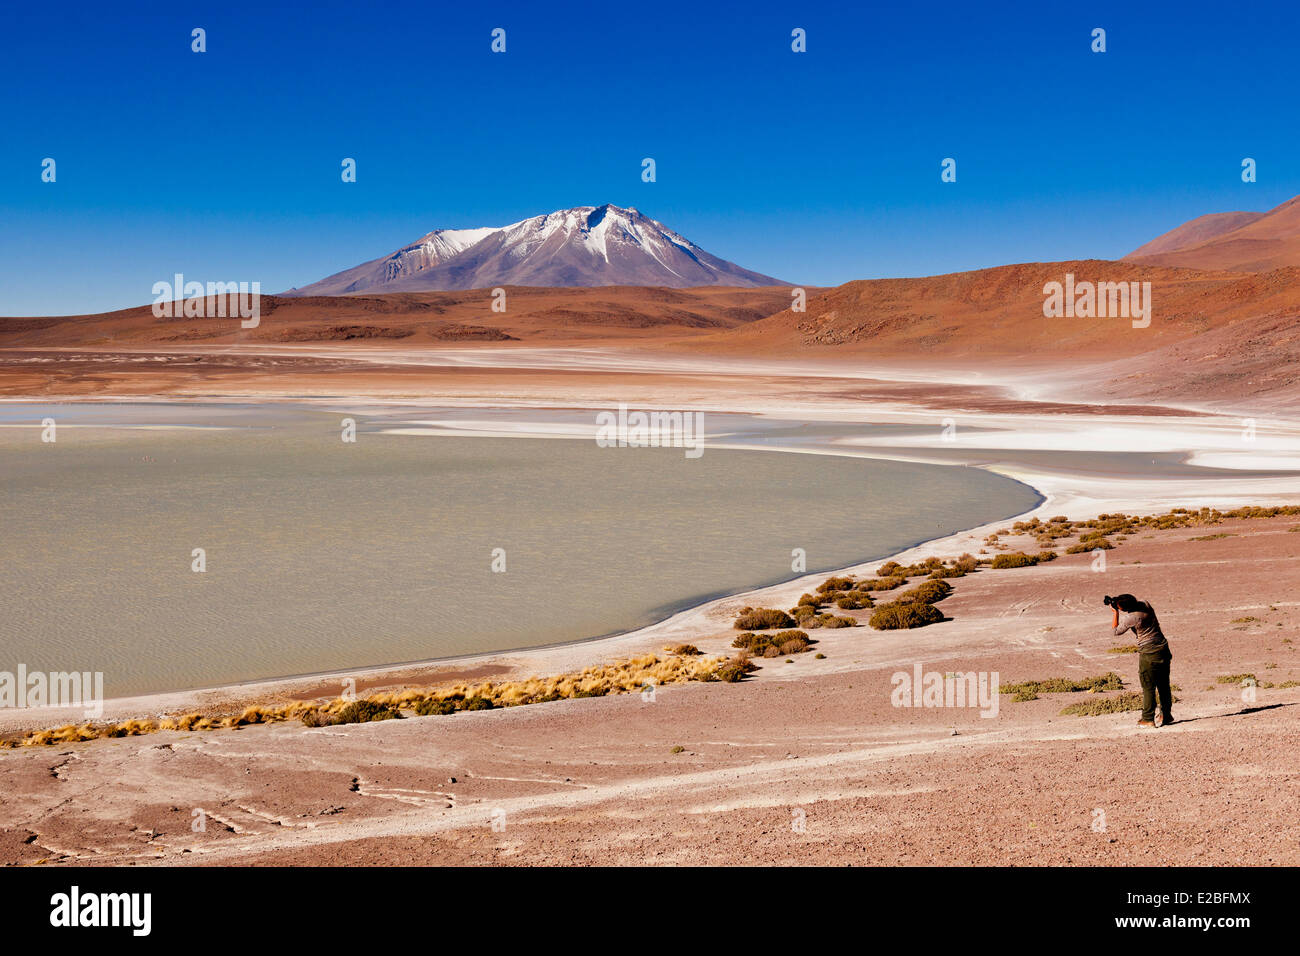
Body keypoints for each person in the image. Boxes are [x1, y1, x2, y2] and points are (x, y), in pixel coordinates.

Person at [1109, 593, 1173, 727]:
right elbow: (1134, 603)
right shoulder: (1145, 604)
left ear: (1125, 608)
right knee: (1164, 685)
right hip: (1162, 647)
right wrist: (1118, 603)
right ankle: (1166, 715)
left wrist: (1115, 613)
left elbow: (1115, 632)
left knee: (1148, 686)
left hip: (1148, 652)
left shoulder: (1132, 618)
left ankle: (1147, 718)